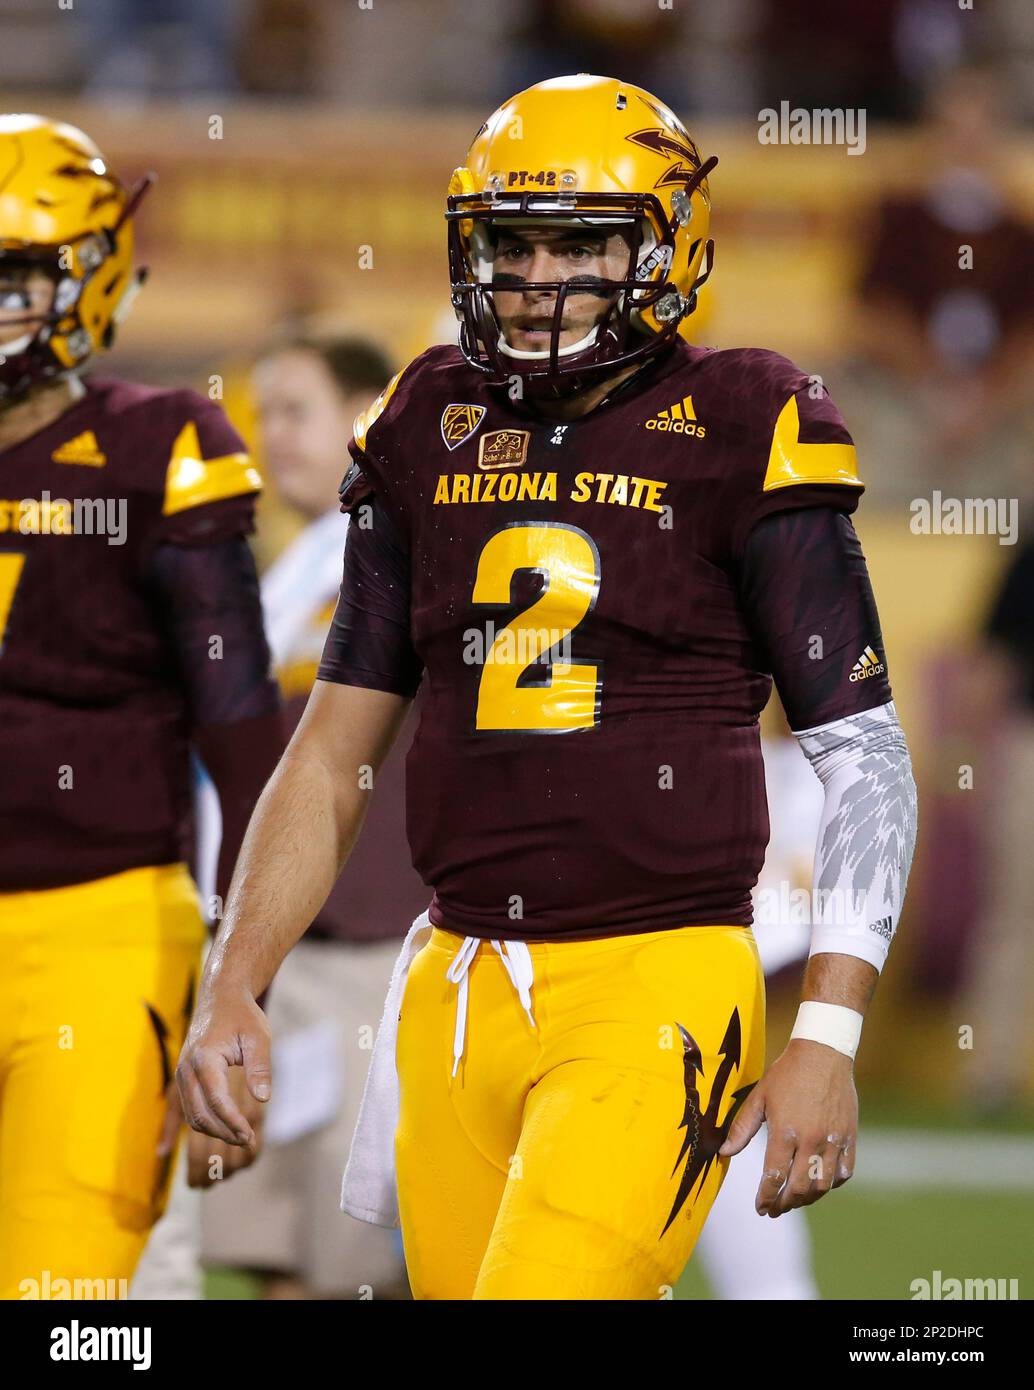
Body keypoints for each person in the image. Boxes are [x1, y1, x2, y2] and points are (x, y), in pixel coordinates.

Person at [178, 74, 918, 1301]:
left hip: (654, 981)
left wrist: (826, 1032)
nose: (534, 278)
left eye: (577, 243)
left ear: (662, 246)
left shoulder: (741, 414)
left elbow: (868, 755)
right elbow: (328, 752)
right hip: (455, 992)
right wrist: (234, 979)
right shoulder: (425, 419)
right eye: (510, 244)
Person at [0, 113, 282, 1298]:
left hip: (97, 927)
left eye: (16, 274)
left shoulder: (158, 445)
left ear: (89, 272)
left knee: (72, 1309)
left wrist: (238, 990)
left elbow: (244, 734)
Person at [200, 332, 426, 1298]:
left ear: (365, 415)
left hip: (377, 961)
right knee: (274, 1255)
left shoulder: (410, 553)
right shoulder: (275, 582)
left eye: (296, 411)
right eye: (262, 416)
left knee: (365, 1263)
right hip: (273, 964)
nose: (271, 438)